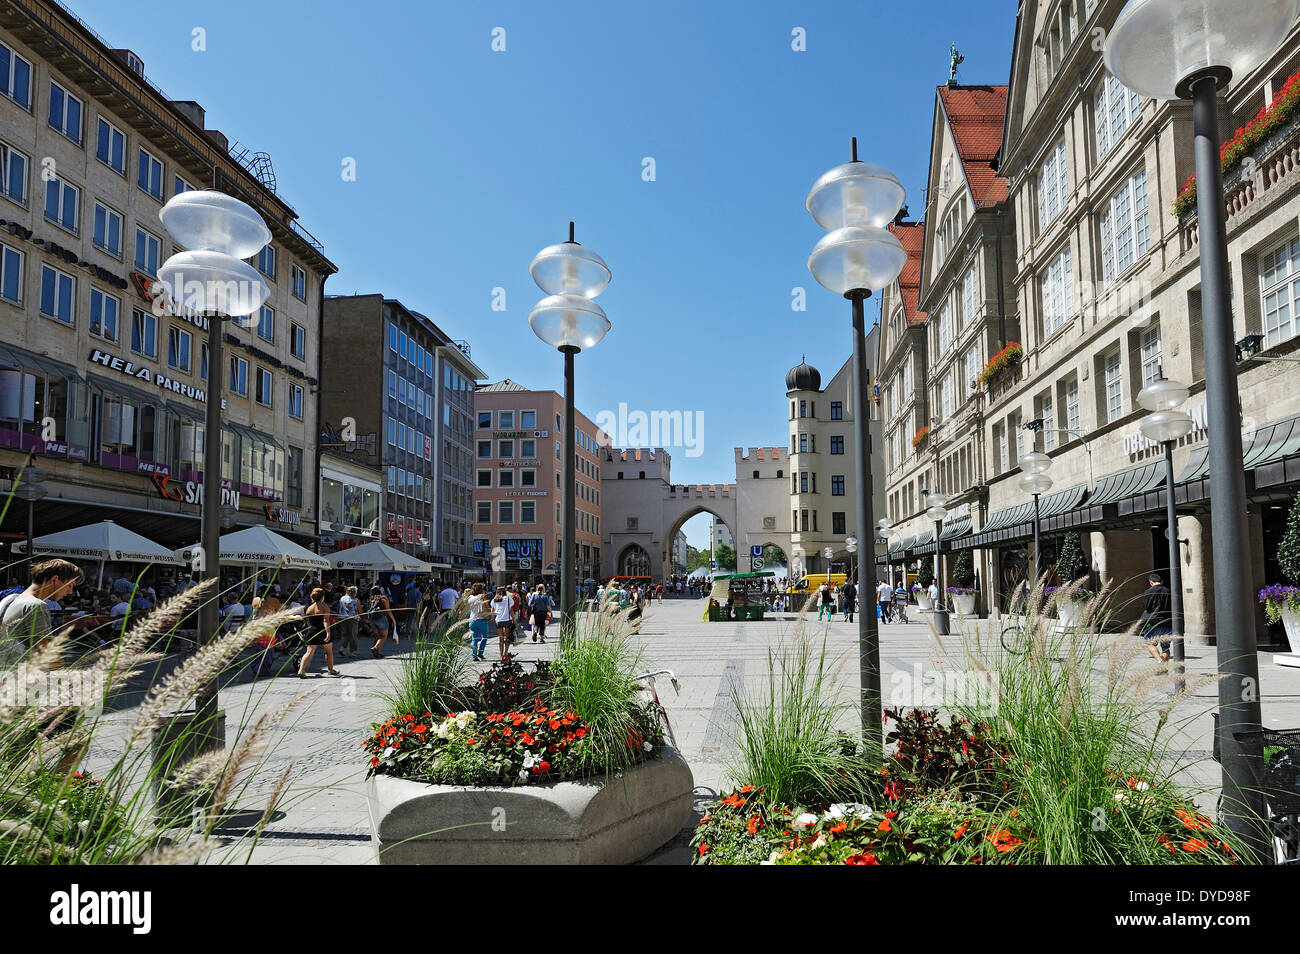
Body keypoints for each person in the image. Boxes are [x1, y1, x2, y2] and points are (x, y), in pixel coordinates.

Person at [0, 558, 83, 665]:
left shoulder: (10, 598)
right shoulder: (37, 605)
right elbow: (48, 654)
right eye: (70, 585)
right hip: (20, 676)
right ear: (54, 579)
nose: (70, 591)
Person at [297, 588, 340, 678]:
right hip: (322, 631)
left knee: (309, 652)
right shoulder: (325, 607)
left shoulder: (309, 608)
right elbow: (326, 621)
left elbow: (308, 621)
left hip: (312, 631)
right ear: (322, 597)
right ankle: (330, 669)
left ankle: (301, 670)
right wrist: (328, 632)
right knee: (328, 651)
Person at [1140, 572, 1174, 663]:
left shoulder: (1148, 592)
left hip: (1153, 622)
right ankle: (1164, 667)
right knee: (1165, 647)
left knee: (1150, 643)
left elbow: (1146, 607)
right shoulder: (1169, 591)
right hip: (1167, 622)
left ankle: (1159, 660)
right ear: (1161, 581)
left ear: (1151, 582)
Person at [366, 585, 396, 658]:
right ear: (380, 590)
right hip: (381, 618)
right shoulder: (383, 598)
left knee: (377, 636)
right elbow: (388, 610)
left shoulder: (371, 599)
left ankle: (377, 653)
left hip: (372, 619)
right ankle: (375, 647)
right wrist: (393, 619)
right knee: (383, 636)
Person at [466, 583, 492, 661]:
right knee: (484, 637)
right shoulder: (483, 596)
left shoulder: (470, 597)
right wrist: (491, 615)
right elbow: (487, 607)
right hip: (482, 619)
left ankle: (474, 656)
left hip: (472, 620)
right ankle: (480, 653)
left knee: (474, 639)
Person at [335, 585, 360, 658]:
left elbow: (339, 608)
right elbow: (360, 610)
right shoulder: (356, 600)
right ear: (354, 592)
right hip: (352, 619)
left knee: (344, 634)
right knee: (353, 635)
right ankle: (351, 652)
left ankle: (342, 649)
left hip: (342, 618)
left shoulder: (342, 598)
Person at [491, 587, 515, 661]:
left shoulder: (494, 600)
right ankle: (506, 653)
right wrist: (514, 619)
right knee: (507, 638)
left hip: (498, 620)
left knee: (500, 638)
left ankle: (501, 655)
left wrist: (492, 617)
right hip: (507, 619)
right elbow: (511, 610)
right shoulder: (508, 598)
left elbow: (493, 609)